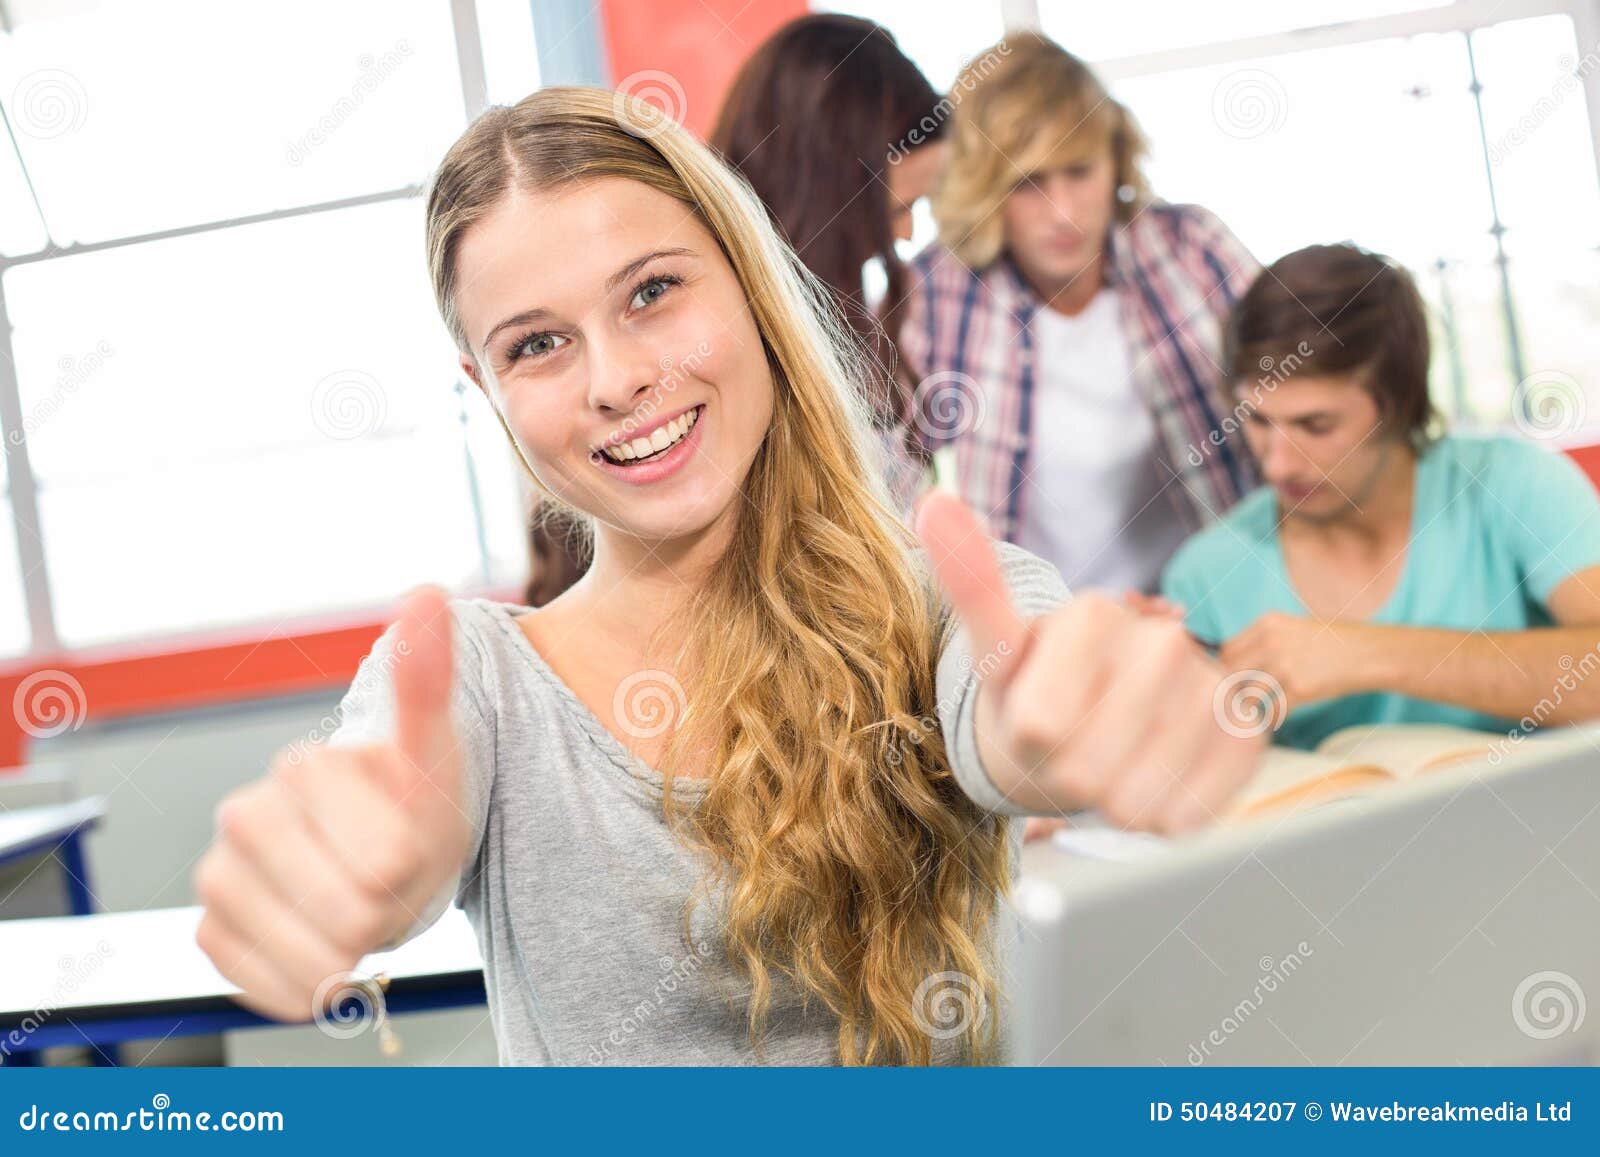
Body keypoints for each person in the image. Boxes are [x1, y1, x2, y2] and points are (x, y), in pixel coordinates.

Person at [190, 87, 1262, 1066]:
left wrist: (1059, 729)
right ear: (486, 388)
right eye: (537, 345)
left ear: (749, 283)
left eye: (651, 291)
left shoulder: (949, 602)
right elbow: (399, 794)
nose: (617, 379)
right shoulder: (477, 678)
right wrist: (366, 863)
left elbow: (1016, 719)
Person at [1162, 242, 1600, 750]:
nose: (1277, 463)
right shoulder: (1206, 572)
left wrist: (1364, 654)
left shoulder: (1515, 484)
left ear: (1397, 407)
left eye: (1316, 425)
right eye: (1258, 421)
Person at [900, 32, 1259, 595]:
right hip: (1042, 638)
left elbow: (1302, 402)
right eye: (1028, 183)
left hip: (1212, 612)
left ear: (1115, 161)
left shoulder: (1192, 248)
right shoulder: (937, 294)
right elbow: (876, 480)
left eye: (1080, 170)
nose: (1062, 213)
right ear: (984, 188)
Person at [711, 13, 947, 512]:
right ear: (827, 194)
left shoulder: (834, 311)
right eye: (895, 211)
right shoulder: (729, 328)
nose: (904, 235)